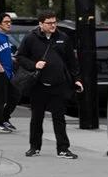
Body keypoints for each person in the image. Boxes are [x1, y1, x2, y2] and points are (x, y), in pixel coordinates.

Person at [15, 12, 83, 158]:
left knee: (59, 118)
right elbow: (20, 57)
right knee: (37, 117)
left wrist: (76, 79)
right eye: (49, 23)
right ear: (40, 24)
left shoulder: (63, 38)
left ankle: (63, 148)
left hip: (59, 84)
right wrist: (34, 65)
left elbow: (71, 61)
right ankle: (34, 147)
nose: (53, 26)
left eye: (54, 22)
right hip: (39, 84)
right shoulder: (31, 38)